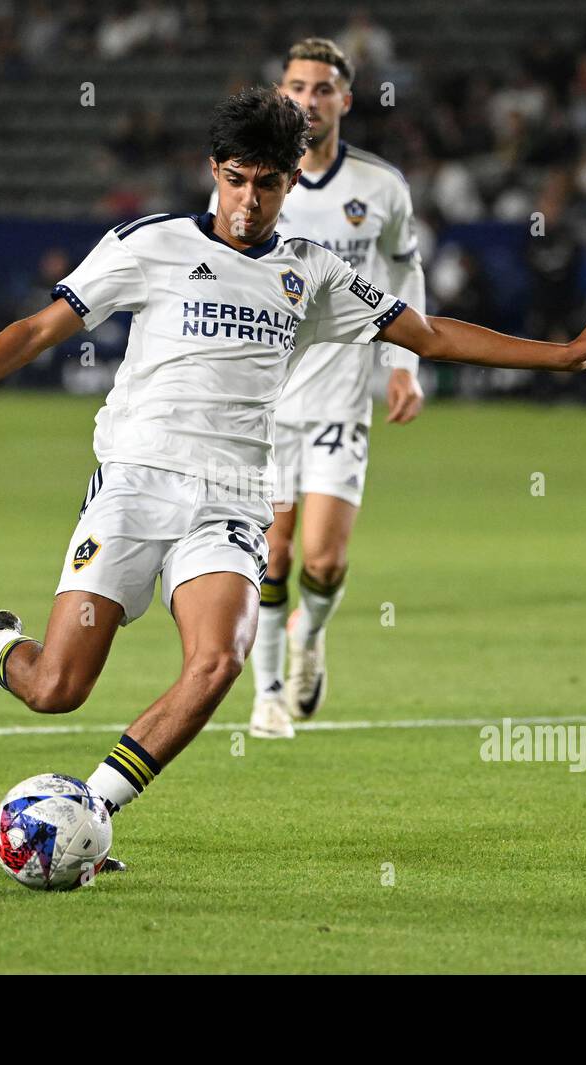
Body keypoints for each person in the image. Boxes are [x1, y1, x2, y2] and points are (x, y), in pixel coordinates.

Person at [0, 87, 586, 868]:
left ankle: (92, 808)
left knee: (219, 657)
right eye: (237, 179)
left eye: (268, 183)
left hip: (234, 496)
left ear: (292, 183)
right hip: (138, 480)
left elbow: (430, 335)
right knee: (58, 687)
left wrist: (565, 352)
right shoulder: (150, 244)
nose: (249, 199)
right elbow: (37, 329)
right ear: (214, 171)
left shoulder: (315, 272)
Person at [208, 38, 426, 738]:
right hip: (267, 403)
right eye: (298, 85)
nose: (309, 97)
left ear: (345, 99)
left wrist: (407, 365)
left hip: (339, 396)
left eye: (323, 87)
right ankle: (267, 690)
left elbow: (405, 273)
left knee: (325, 560)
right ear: (282, 92)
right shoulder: (255, 179)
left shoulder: (381, 187)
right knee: (275, 551)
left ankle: (310, 636)